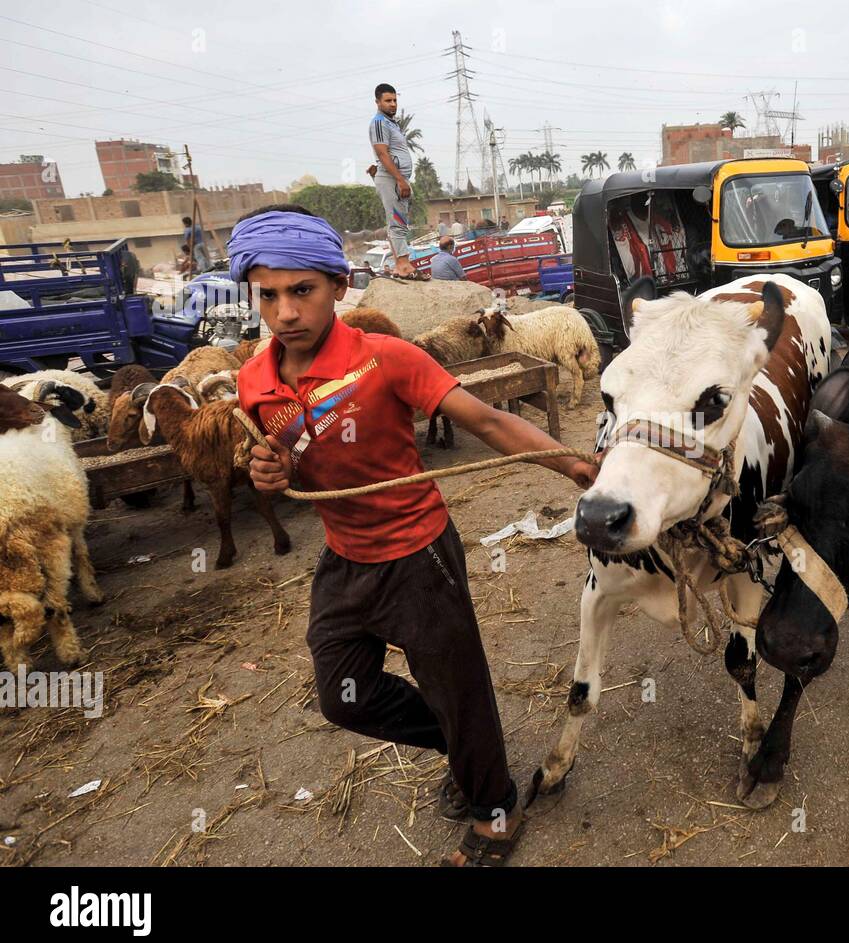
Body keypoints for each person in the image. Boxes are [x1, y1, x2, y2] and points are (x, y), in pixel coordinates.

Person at [232, 205, 598, 866]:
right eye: (269, 294)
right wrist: (265, 470)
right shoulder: (254, 383)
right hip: (345, 560)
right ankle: (464, 746)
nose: (286, 312)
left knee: (459, 687)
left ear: (339, 286)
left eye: (302, 290)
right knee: (344, 694)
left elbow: (486, 421)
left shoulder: (386, 360)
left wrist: (570, 463)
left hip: (417, 553)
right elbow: (280, 463)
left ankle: (496, 809)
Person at [366, 83, 422, 280]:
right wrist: (399, 179)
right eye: (388, 101)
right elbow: (382, 153)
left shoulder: (391, 123)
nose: (392, 104)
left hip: (397, 177)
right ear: (378, 102)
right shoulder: (379, 122)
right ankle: (404, 266)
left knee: (398, 221)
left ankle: (401, 264)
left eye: (395, 100)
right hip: (392, 178)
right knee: (397, 221)